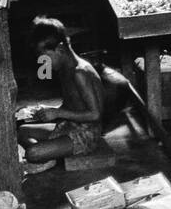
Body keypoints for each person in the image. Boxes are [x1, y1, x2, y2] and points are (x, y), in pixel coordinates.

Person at [17, 18, 106, 173]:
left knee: (32, 153)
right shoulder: (64, 68)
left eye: (45, 57)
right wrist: (51, 110)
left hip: (86, 134)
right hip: (67, 126)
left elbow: (95, 114)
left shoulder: (80, 72)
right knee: (22, 131)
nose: (43, 62)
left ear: (59, 48)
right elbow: (73, 104)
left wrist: (58, 113)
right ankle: (50, 154)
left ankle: (47, 155)